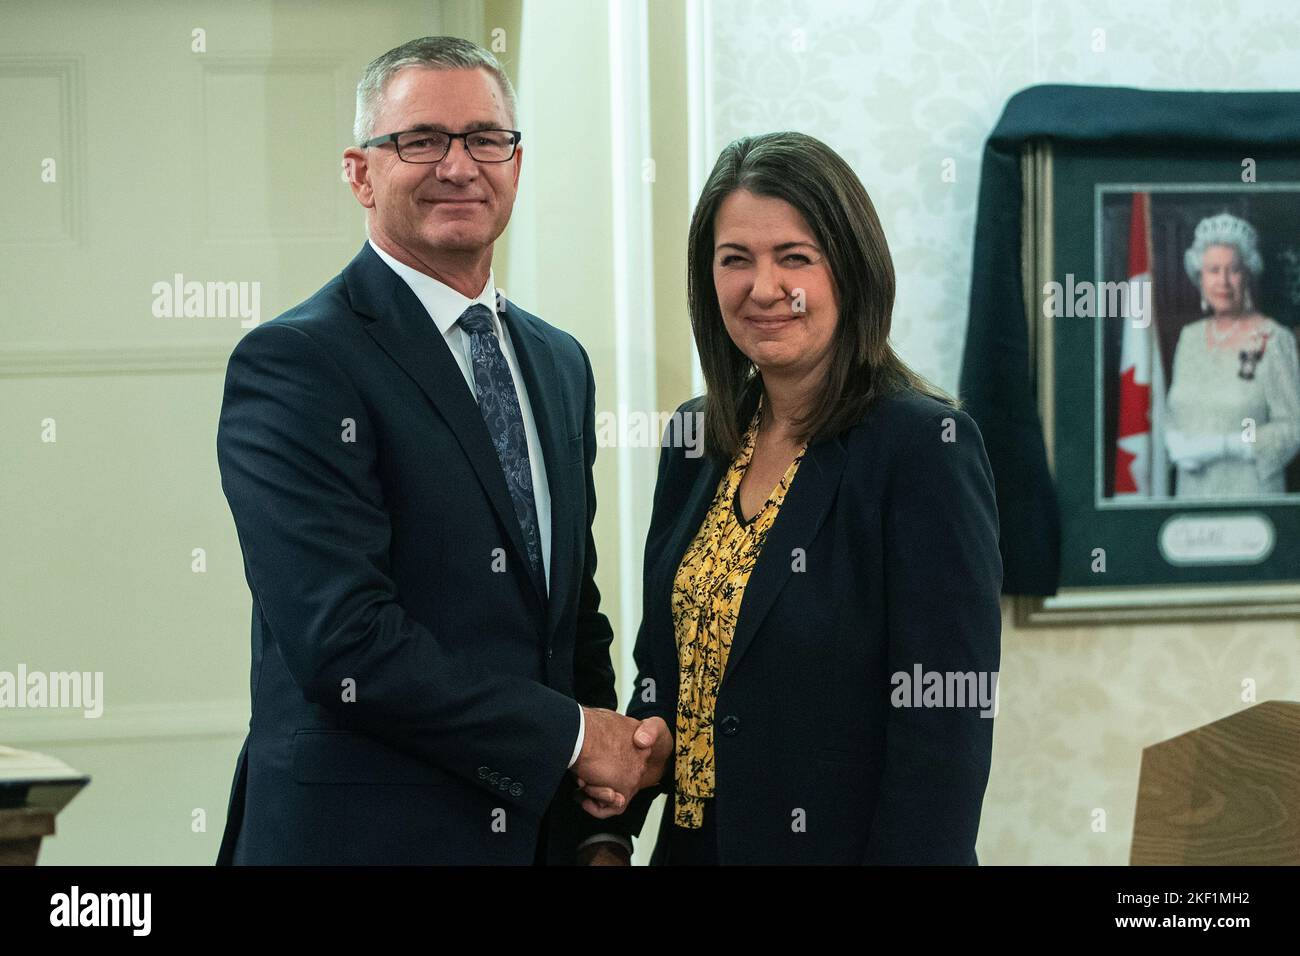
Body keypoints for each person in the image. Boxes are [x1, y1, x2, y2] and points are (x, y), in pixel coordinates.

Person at [214, 36, 663, 865]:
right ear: (360, 172)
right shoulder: (296, 364)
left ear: (516, 168)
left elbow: (571, 615)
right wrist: (573, 737)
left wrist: (600, 826)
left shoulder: (558, 362)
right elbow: (345, 641)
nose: (459, 166)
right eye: (421, 140)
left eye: (486, 139)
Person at [576, 131, 1003, 864]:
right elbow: (668, 674)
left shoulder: (923, 449)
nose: (763, 287)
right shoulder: (695, 438)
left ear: (851, 268)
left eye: (794, 257)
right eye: (734, 259)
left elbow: (944, 728)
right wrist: (609, 827)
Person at [1164, 212, 1300, 497]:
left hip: (1250, 494)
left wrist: (1227, 446)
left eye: (1233, 269)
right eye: (1213, 270)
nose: (1223, 281)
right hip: (1192, 494)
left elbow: (1293, 427)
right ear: (1200, 278)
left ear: (1248, 275)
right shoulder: (1189, 337)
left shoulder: (1273, 339)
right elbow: (1174, 411)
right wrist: (1171, 438)